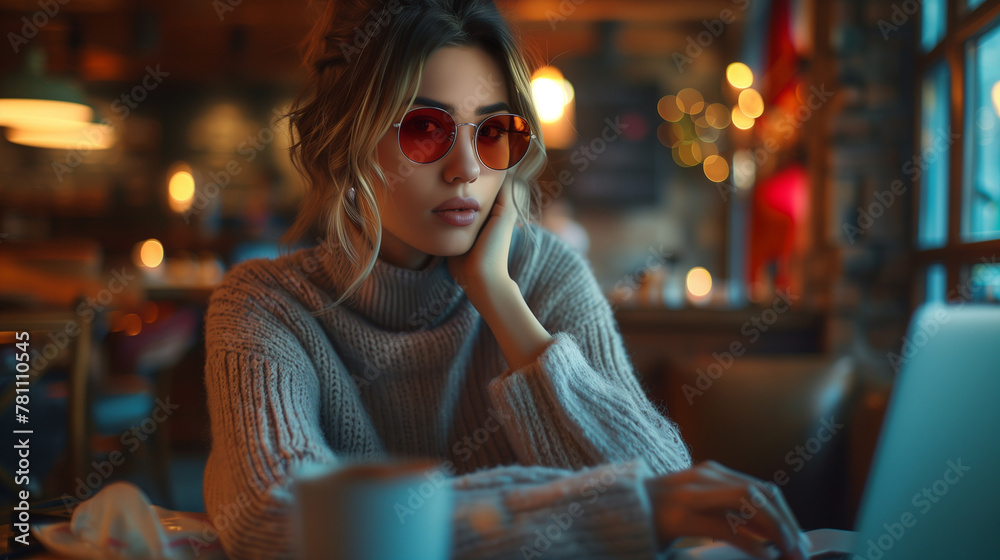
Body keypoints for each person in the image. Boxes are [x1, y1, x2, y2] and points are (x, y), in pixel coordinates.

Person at [201, 1, 810, 559]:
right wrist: (617, 513)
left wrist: (499, 297)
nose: (467, 168)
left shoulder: (544, 271)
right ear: (349, 143)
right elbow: (276, 518)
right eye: (424, 128)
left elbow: (665, 488)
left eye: (492, 131)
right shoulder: (265, 306)